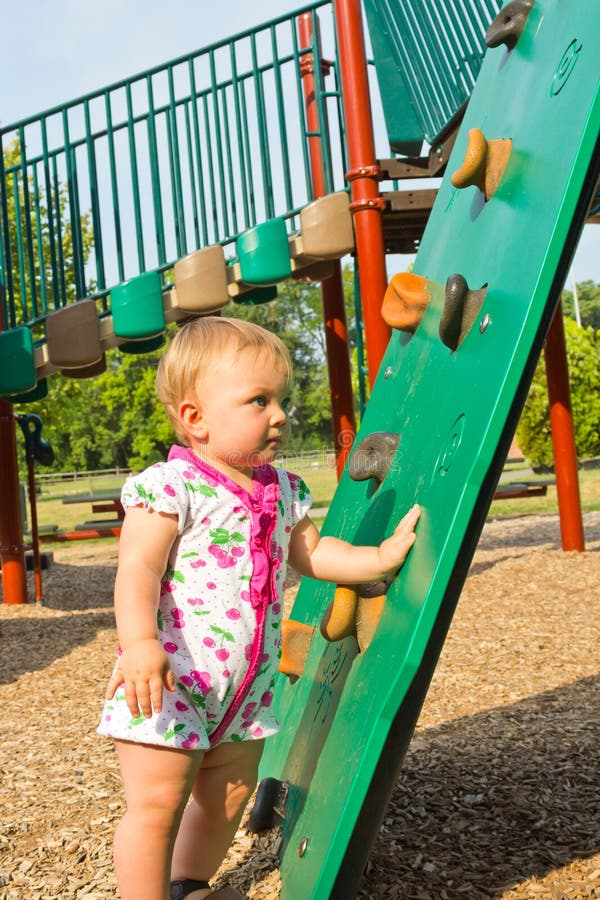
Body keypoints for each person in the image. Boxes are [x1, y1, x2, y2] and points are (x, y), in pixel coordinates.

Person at [98, 316, 421, 900]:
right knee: (157, 805)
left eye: (282, 399)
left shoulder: (283, 488)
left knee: (229, 793)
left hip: (245, 690)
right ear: (194, 417)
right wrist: (141, 645)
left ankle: (186, 883)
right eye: (258, 401)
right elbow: (137, 571)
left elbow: (315, 553)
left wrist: (378, 558)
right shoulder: (171, 487)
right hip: (171, 682)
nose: (279, 415)